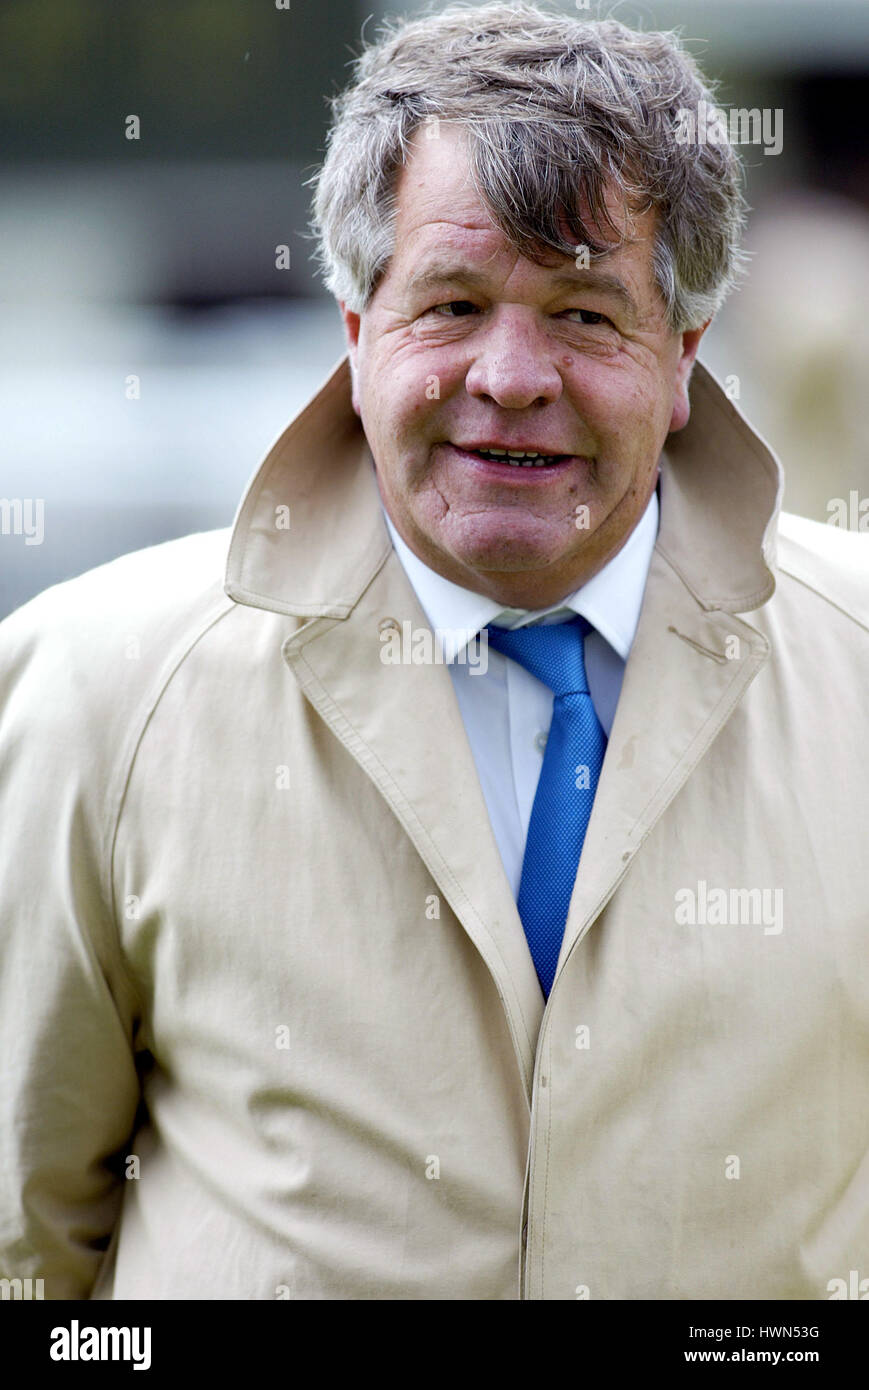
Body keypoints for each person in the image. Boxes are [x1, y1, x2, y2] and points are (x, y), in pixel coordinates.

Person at [1, 2, 868, 1302]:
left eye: (582, 314)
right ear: (355, 335)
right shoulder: (97, 686)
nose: (510, 375)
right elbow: (25, 1243)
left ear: (683, 356)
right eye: (453, 304)